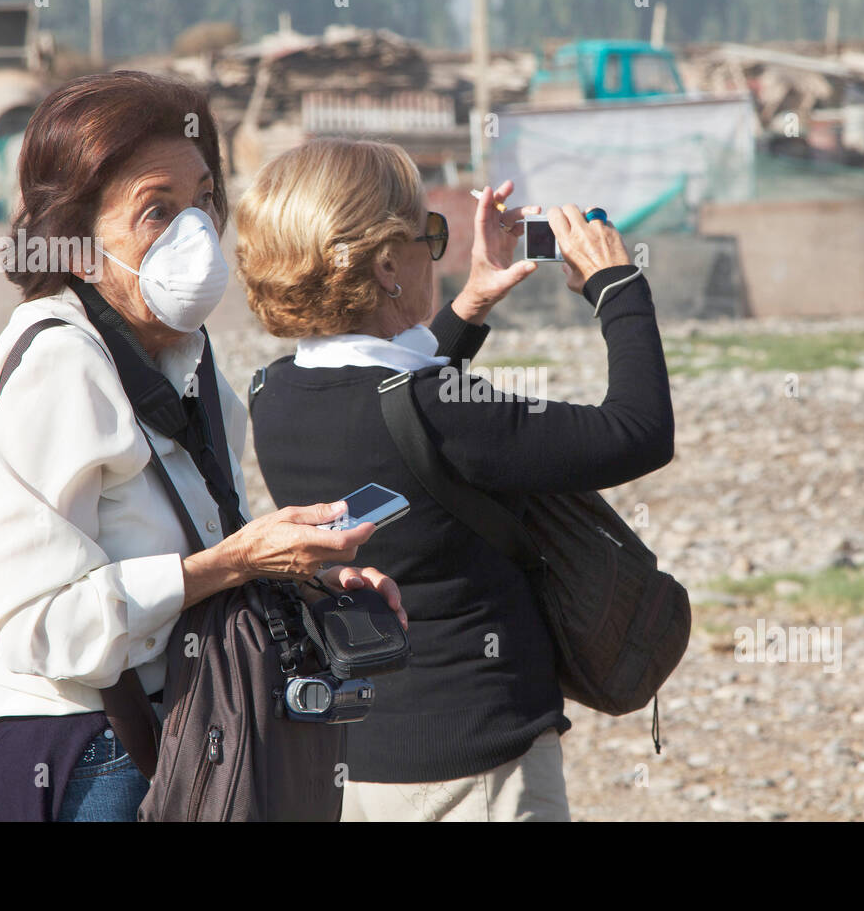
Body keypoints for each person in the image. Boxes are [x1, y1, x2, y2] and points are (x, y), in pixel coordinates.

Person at [0, 73, 404, 822]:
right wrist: (233, 561)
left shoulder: (187, 359)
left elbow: (200, 558)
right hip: (77, 758)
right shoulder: (60, 364)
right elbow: (38, 628)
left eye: (203, 200)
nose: (194, 232)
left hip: (178, 734)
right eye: (156, 211)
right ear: (77, 239)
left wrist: (311, 581)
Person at [236, 137, 674, 821]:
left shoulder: (274, 394)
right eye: (427, 235)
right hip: (480, 764)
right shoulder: (438, 411)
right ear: (386, 265)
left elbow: (394, 403)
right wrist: (618, 288)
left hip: (357, 759)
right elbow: (638, 432)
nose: (434, 249)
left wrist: (470, 303)